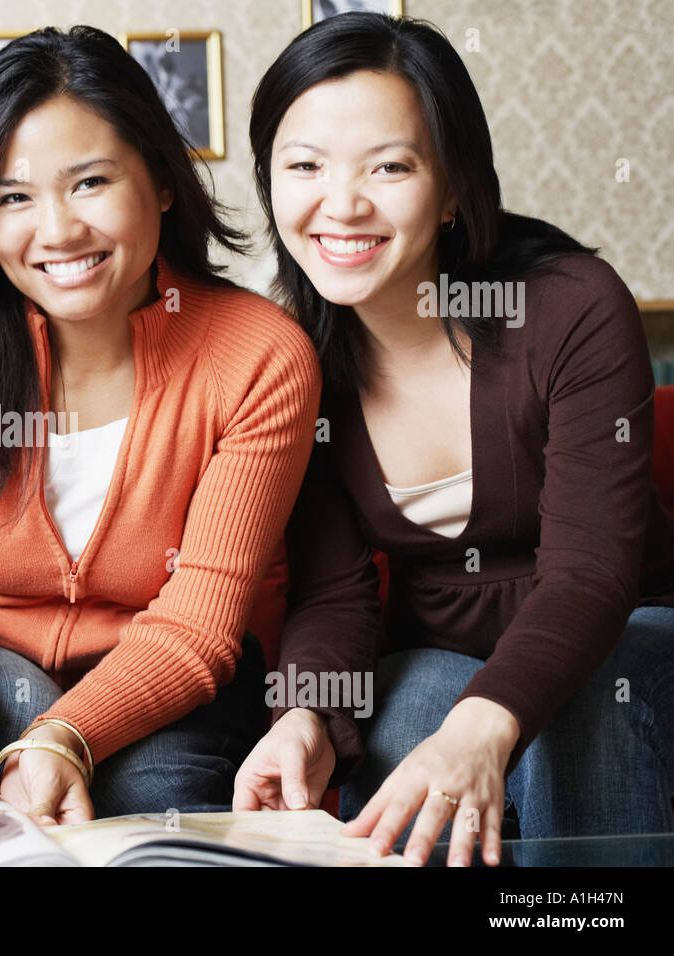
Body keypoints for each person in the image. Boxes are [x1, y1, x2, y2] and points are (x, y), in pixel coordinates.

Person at [0, 26, 320, 825]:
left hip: (176, 685)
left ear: (161, 182)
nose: (58, 230)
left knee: (146, 807)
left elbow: (199, 623)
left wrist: (68, 735)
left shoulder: (259, 354)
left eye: (90, 182)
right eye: (13, 197)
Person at [233, 12, 674, 866]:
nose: (342, 203)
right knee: (407, 715)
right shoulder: (292, 356)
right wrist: (304, 714)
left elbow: (589, 575)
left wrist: (484, 722)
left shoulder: (570, 308)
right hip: (438, 649)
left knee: (581, 706)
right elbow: (333, 593)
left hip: (631, 630)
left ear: (453, 188)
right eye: (305, 166)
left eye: (390, 166)